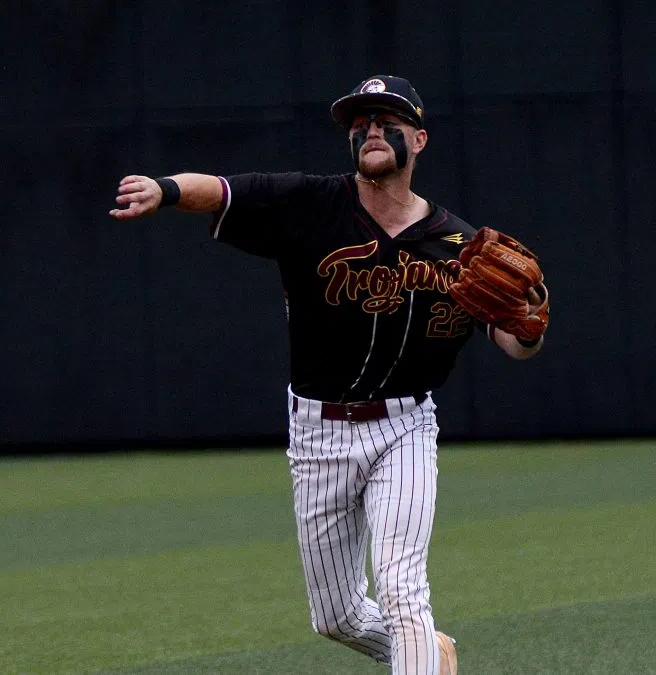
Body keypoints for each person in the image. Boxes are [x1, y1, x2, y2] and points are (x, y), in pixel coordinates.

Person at [109, 75, 547, 675]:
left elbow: (512, 342)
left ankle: (415, 651)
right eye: (359, 124)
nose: (370, 130)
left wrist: (527, 327)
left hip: (405, 427)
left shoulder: (460, 247)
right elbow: (220, 190)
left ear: (418, 140)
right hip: (318, 433)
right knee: (335, 617)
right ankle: (428, 656)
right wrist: (162, 189)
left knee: (400, 589)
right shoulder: (310, 205)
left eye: (386, 120)